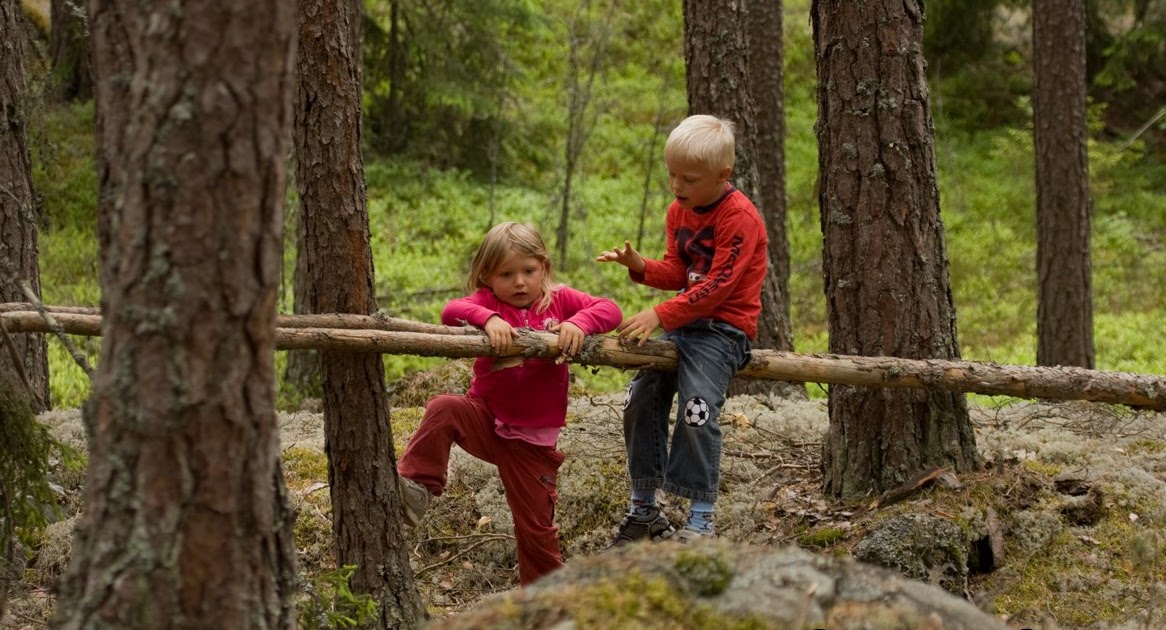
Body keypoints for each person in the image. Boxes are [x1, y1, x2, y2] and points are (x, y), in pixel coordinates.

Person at [397, 221, 622, 585]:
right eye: (506, 274)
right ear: (487, 276)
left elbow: (610, 310)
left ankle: (544, 603)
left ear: (544, 268)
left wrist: (580, 323)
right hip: (484, 418)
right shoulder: (487, 302)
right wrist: (487, 318)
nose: (519, 282)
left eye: (528, 271)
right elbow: (450, 310)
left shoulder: (561, 301)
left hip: (532, 444)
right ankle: (418, 489)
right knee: (443, 406)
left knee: (536, 530)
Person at [595, 114, 768, 545]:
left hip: (722, 330)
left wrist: (659, 316)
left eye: (688, 178)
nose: (677, 186)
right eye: (672, 174)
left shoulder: (740, 218)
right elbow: (679, 269)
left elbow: (718, 286)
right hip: (683, 323)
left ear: (722, 174)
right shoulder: (680, 211)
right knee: (640, 397)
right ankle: (644, 509)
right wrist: (641, 267)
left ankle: (700, 518)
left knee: (698, 409)